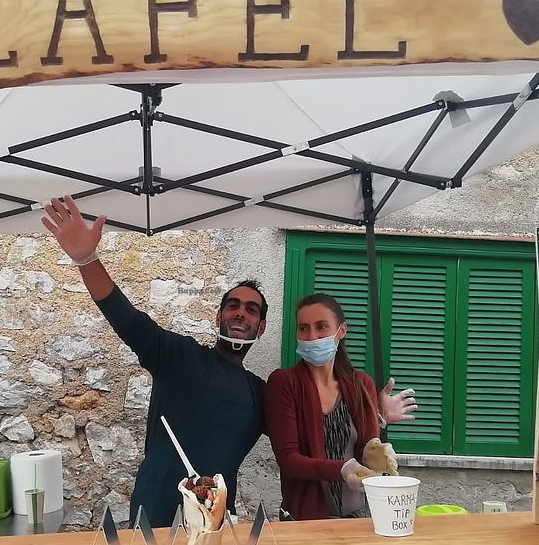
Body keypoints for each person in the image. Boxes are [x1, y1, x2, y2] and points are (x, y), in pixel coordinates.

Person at [42, 194, 268, 527]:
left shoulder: (261, 394)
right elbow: (131, 323)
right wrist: (87, 259)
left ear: (260, 327)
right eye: (233, 305)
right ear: (218, 315)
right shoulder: (181, 356)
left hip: (216, 524)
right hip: (156, 519)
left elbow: (304, 434)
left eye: (251, 309)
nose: (240, 312)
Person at [265, 293, 416, 521]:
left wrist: (379, 426)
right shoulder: (284, 383)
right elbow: (289, 461)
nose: (312, 336)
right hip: (306, 520)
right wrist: (341, 469)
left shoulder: (361, 384)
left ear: (341, 331)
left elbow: (368, 451)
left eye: (321, 326)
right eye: (303, 328)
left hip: (360, 516)